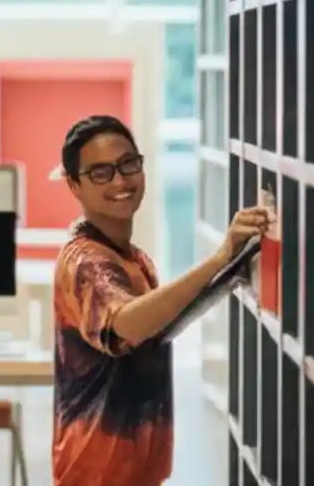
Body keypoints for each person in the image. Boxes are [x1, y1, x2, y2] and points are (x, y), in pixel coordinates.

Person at [51, 114, 279, 486]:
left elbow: (161, 327)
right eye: (101, 173)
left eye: (128, 164)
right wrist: (220, 258)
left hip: (132, 471)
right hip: (96, 474)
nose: (121, 180)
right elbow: (125, 325)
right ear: (75, 185)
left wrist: (235, 268)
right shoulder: (87, 262)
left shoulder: (132, 259)